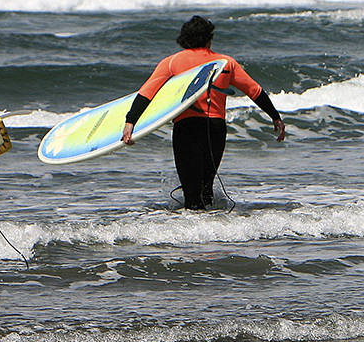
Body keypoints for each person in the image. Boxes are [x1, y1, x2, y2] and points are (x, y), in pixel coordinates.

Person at [121, 15, 285, 210]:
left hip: (187, 127)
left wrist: (130, 122)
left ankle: (194, 237)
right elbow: (255, 91)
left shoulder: (172, 63)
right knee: (206, 189)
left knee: (191, 194)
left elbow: (146, 93)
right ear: (209, 39)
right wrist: (275, 117)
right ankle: (213, 235)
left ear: (184, 38)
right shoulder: (225, 63)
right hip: (216, 129)